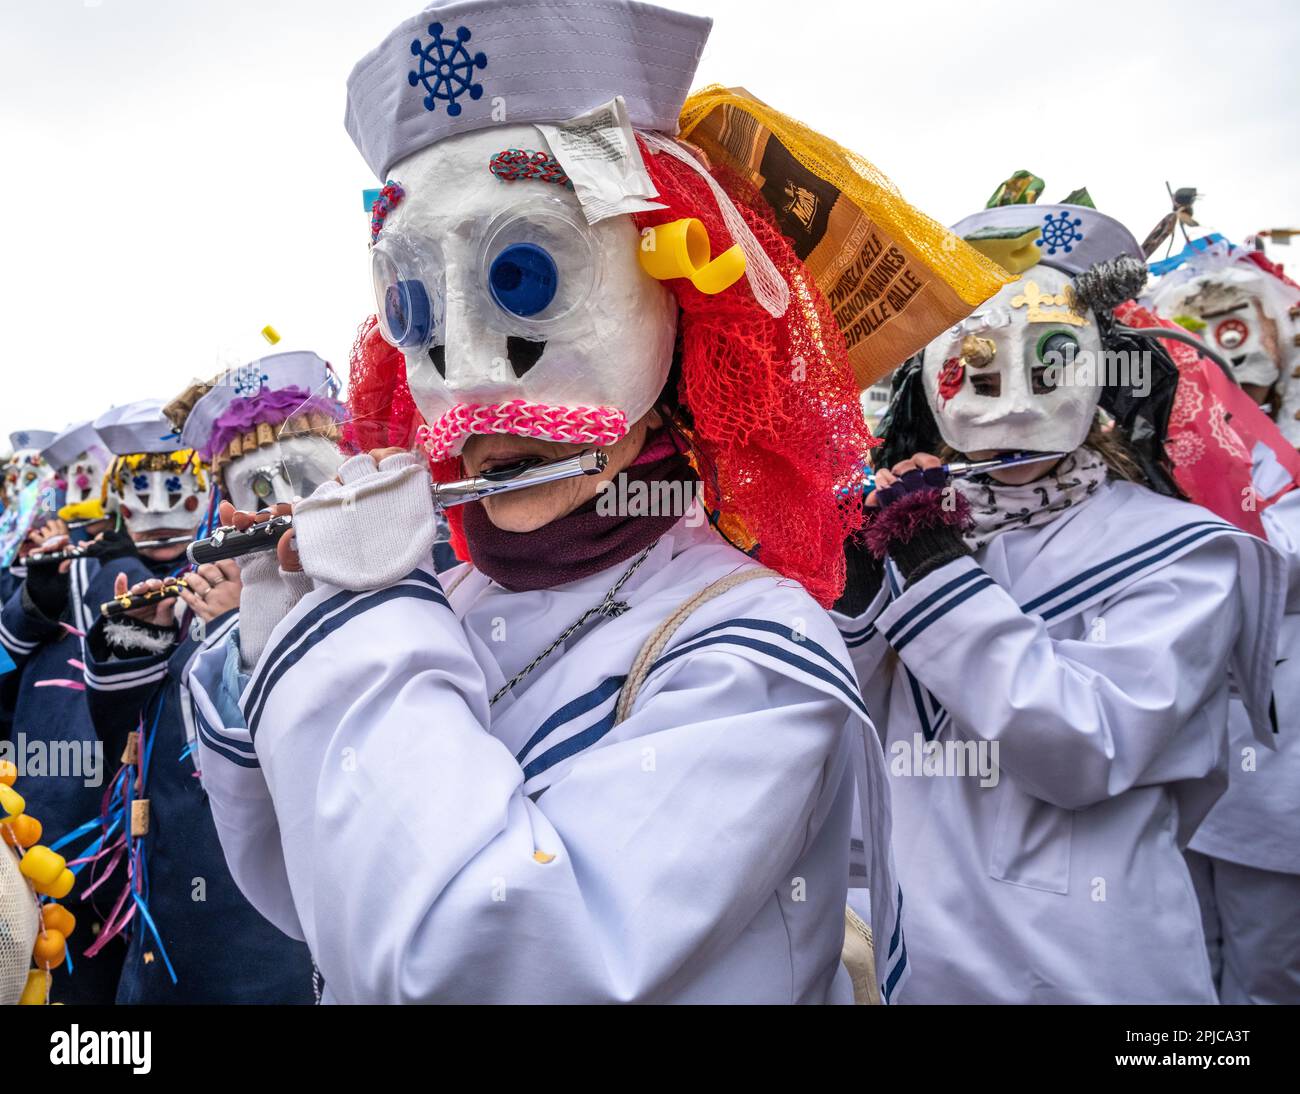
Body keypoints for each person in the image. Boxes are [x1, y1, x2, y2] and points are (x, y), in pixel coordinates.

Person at [184, 0, 1006, 1005]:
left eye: (525, 277)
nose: (475, 373)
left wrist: (360, 623)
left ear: (676, 301)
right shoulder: (440, 591)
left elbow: (487, 961)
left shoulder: (751, 643)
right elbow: (321, 898)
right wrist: (276, 631)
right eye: (416, 304)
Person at [833, 193, 1285, 1003]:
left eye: (1049, 363)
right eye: (976, 365)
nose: (1009, 403)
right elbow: (846, 730)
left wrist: (933, 572)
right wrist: (858, 594)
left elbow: (1082, 746)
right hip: (919, 949)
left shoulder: (1183, 555)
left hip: (1091, 962)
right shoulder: (918, 521)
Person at [81, 384, 318, 1004]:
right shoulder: (208, 572)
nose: (274, 508)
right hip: (167, 912)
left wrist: (236, 632)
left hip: (262, 936)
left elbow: (288, 749)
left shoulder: (358, 591)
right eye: (254, 489)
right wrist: (146, 632)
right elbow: (115, 727)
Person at [1146, 238, 1300, 1003]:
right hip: (1187, 762)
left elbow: (1282, 561)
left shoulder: (1284, 449)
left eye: (1238, 322)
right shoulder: (1173, 448)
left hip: (1277, 772)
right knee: (1185, 964)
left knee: (1268, 970)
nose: (1227, 342)